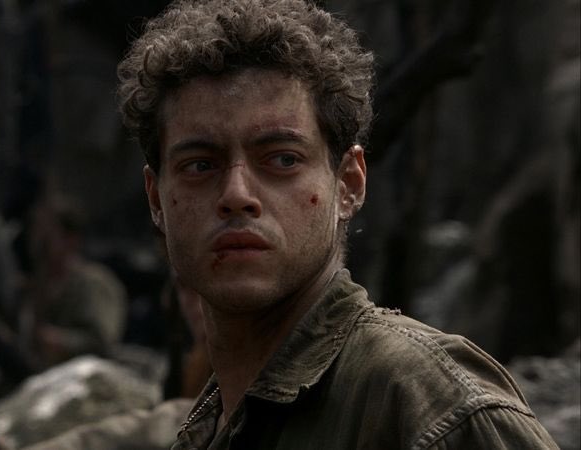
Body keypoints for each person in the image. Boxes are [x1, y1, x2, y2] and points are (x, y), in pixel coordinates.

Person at [116, 0, 559, 448]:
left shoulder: (426, 406)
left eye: (282, 160)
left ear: (349, 183)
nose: (236, 195)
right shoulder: (211, 427)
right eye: (199, 165)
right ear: (156, 199)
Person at [20, 192, 128, 368]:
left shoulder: (93, 283)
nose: (38, 241)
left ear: (71, 239)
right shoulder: (34, 287)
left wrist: (59, 341)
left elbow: (101, 343)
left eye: (48, 235)